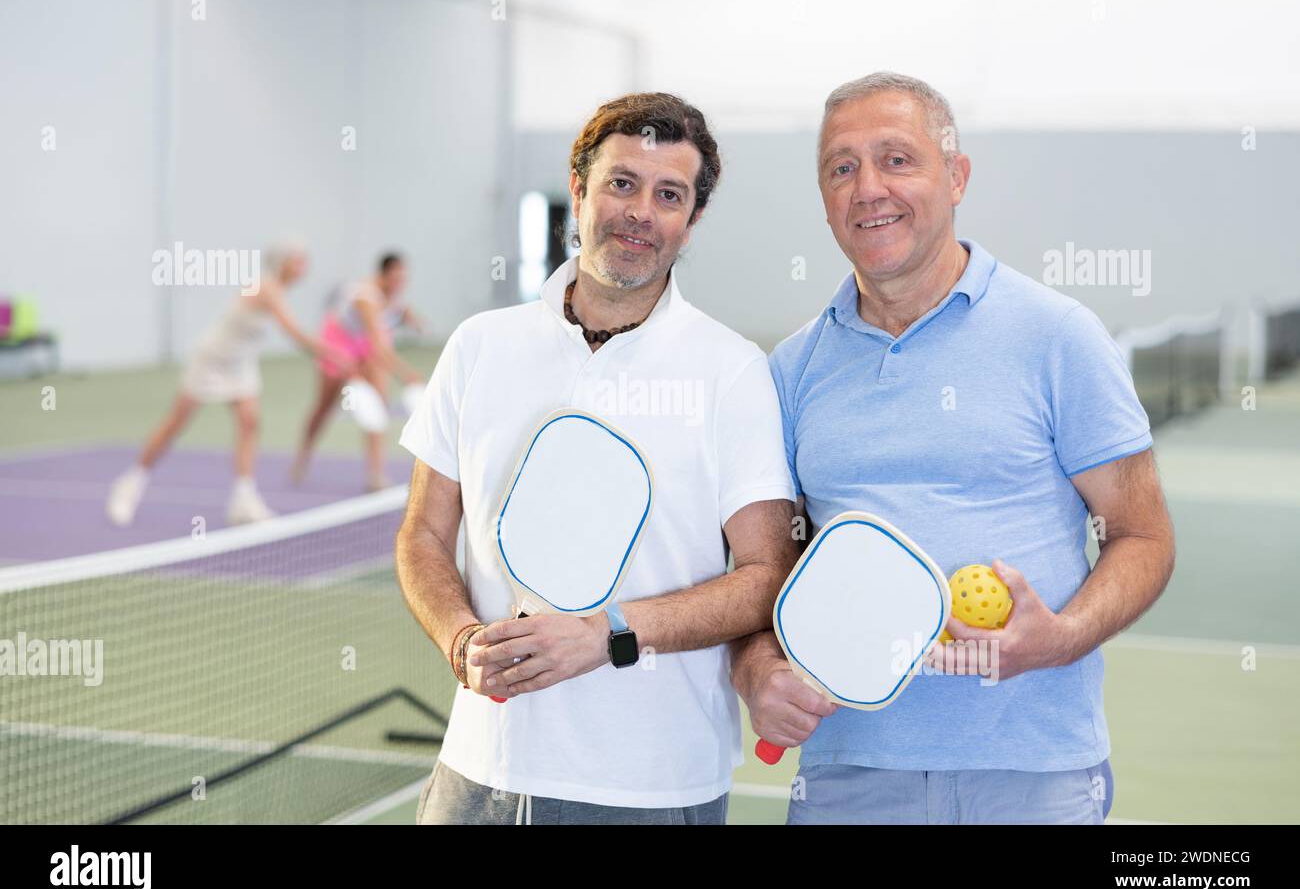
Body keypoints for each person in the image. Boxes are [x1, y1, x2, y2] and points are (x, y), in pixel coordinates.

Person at [731, 72, 1176, 824]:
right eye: (842, 168)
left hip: (1033, 774)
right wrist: (753, 670)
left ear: (957, 175)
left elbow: (1144, 534)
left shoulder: (1058, 336)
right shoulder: (791, 370)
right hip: (849, 775)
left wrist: (1060, 638)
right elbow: (760, 567)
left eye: (897, 158)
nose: (868, 187)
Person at [395, 92, 798, 825]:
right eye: (622, 182)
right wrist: (459, 640)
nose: (641, 210)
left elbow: (765, 574)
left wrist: (607, 633)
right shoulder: (480, 346)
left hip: (648, 788)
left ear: (691, 218)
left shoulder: (733, 372)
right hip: (474, 778)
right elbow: (423, 533)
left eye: (668, 194)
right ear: (577, 188)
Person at [106, 245, 352, 527]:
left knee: (250, 422)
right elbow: (294, 332)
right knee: (176, 423)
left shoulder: (274, 290)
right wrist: (335, 354)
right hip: (212, 359)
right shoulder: (265, 288)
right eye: (297, 263)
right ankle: (129, 484)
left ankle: (243, 500)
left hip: (240, 363)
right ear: (281, 263)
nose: (302, 270)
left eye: (304, 263)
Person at [291, 252, 425, 491]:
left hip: (364, 345)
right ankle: (302, 457)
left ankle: (375, 474)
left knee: (377, 404)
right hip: (338, 342)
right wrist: (408, 375)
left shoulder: (394, 297)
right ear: (382, 276)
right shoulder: (365, 298)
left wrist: (412, 320)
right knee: (324, 407)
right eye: (395, 278)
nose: (399, 284)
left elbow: (399, 313)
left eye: (403, 278)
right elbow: (380, 348)